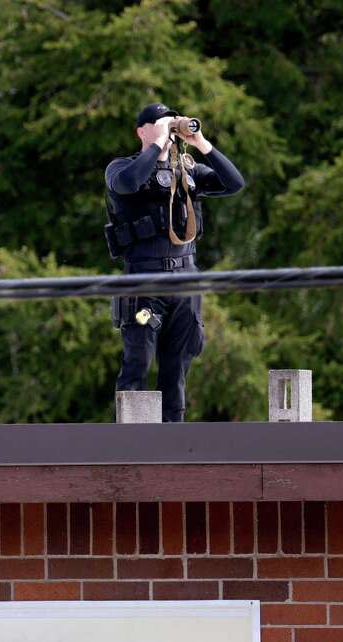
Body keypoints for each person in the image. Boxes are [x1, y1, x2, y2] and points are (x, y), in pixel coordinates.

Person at [104, 103, 244, 422]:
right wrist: (157, 144)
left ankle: (172, 439)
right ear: (142, 130)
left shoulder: (187, 170)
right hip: (144, 286)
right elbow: (128, 183)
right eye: (158, 122)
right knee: (138, 359)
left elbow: (234, 183)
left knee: (177, 366)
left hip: (184, 285)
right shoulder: (121, 167)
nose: (167, 127)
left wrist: (201, 144)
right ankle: (132, 439)